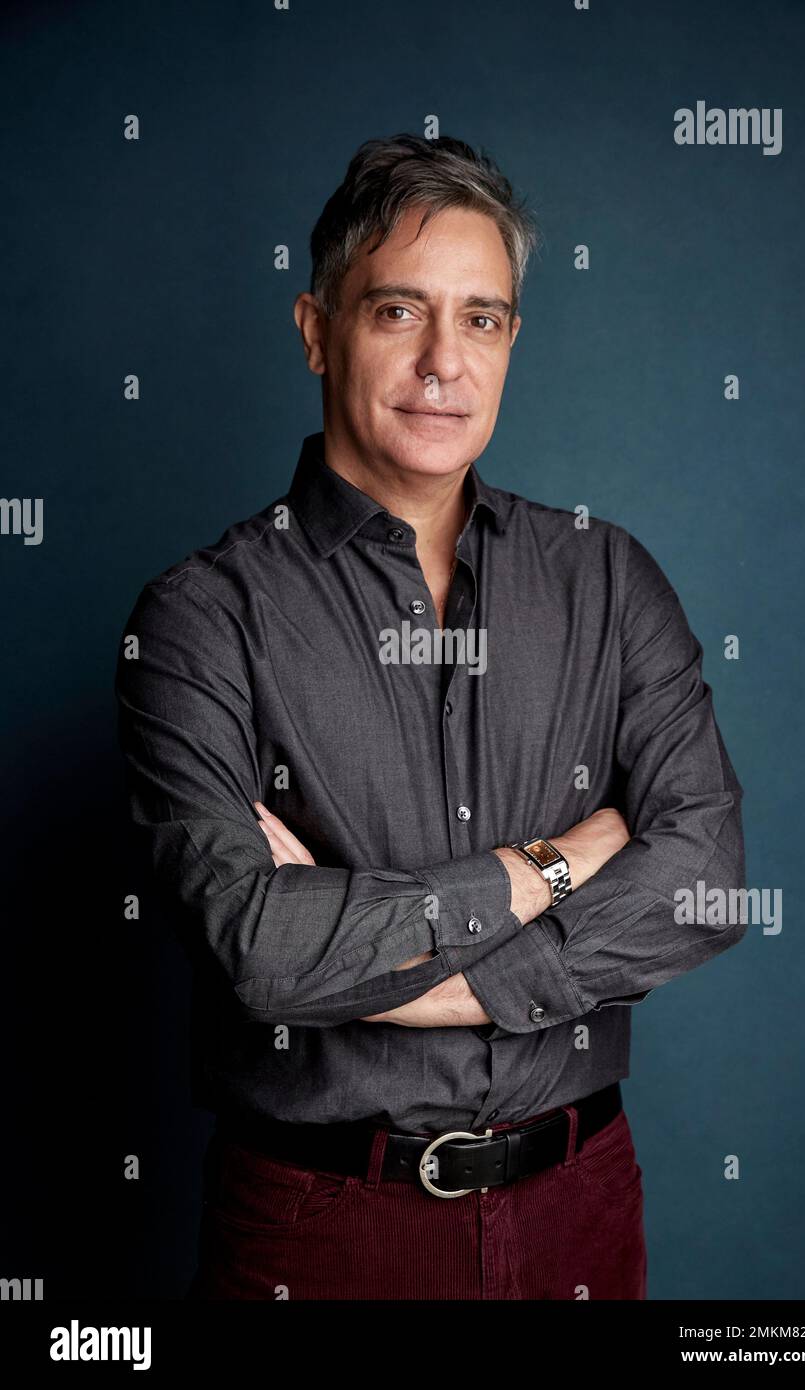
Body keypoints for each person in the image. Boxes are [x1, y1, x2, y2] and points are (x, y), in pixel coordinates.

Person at [115, 133, 747, 1300]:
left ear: (511, 340)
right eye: (398, 311)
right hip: (319, 1226)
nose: (443, 362)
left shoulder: (607, 579)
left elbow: (701, 877)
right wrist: (557, 862)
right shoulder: (201, 618)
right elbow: (259, 951)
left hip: (578, 1204)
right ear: (316, 330)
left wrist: (381, 967)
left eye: (482, 318)